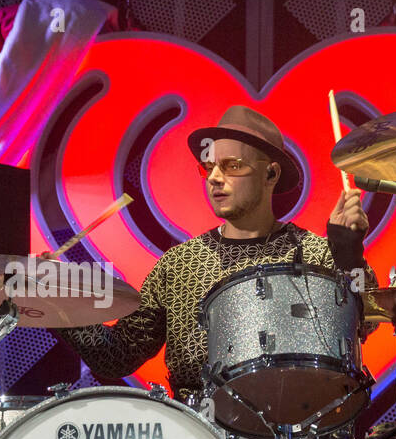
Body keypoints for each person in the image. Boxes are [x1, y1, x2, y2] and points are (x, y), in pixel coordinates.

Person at [57, 105, 374, 404]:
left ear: (271, 175)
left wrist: (349, 254)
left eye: (232, 166)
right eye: (208, 167)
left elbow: (367, 319)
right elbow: (119, 355)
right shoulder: (179, 265)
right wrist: (53, 302)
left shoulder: (316, 253)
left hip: (300, 436)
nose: (214, 178)